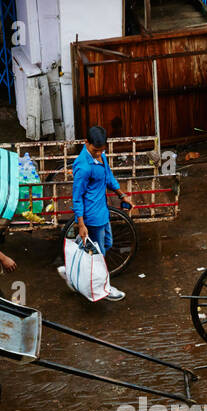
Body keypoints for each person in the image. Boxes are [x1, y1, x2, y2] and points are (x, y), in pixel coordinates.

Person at [71, 124, 131, 302]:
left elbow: (109, 177)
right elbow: (77, 197)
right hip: (92, 217)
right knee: (100, 254)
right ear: (86, 143)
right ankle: (104, 288)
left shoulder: (101, 156)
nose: (98, 153)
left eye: (101, 150)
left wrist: (122, 195)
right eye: (95, 150)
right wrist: (81, 223)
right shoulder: (83, 167)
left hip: (103, 212)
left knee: (107, 244)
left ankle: (75, 271)